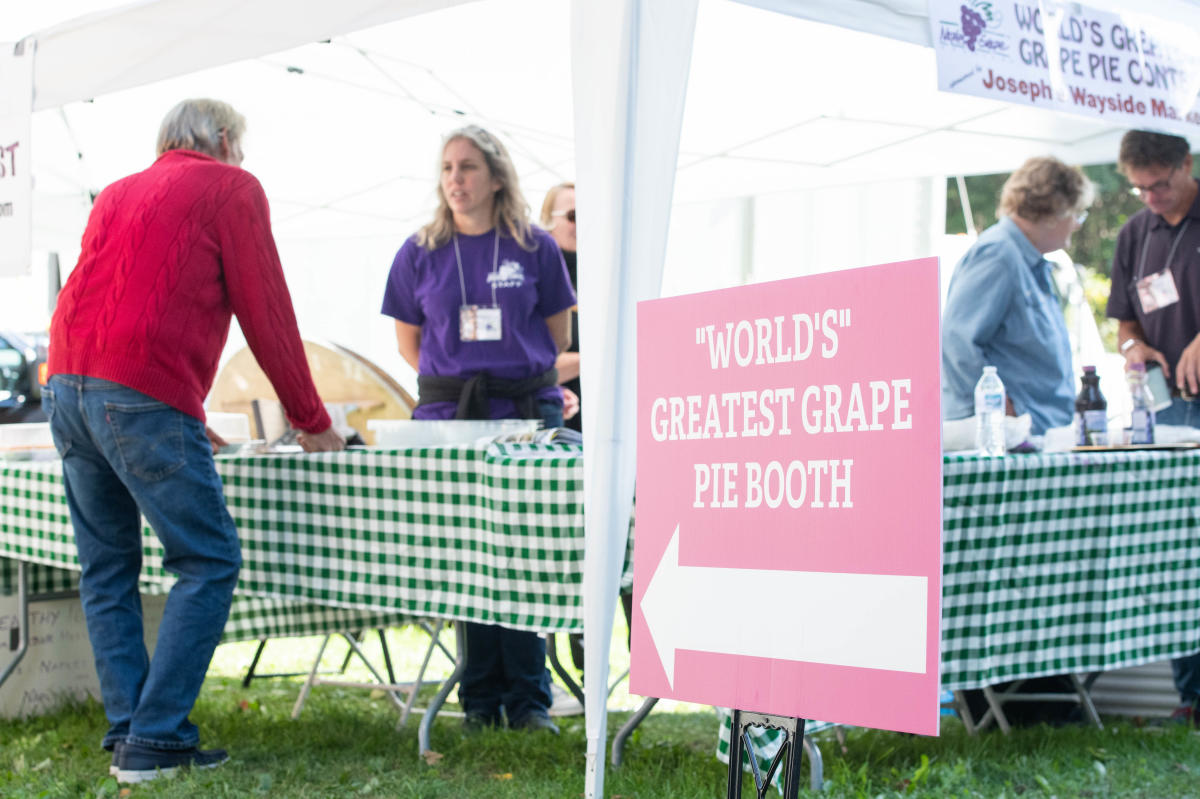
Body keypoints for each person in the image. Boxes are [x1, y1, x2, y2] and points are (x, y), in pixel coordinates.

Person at [45, 98, 345, 784]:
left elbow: (114, 302)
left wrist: (184, 410)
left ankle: (128, 727)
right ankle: (154, 739)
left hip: (67, 386)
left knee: (107, 567)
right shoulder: (232, 187)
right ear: (226, 138)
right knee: (208, 559)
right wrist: (309, 418)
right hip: (134, 396)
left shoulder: (119, 191)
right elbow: (265, 310)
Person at [381, 125, 575, 734]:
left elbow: (559, 335)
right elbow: (410, 342)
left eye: (466, 168)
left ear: (495, 177)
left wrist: (502, 373)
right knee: (468, 556)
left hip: (522, 413)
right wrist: (462, 378)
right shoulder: (420, 250)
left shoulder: (534, 247)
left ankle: (529, 701)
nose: (455, 180)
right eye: (446, 169)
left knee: (522, 554)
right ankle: (479, 700)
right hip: (449, 421)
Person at [1105, 129, 1200, 726]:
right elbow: (1124, 324)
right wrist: (1135, 349)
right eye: (1139, 187)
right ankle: (1190, 698)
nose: (1150, 197)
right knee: (1181, 556)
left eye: (1160, 184)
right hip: (1168, 415)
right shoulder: (1134, 234)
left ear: (1186, 166)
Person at [941, 156, 1094, 436]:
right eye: (1076, 213)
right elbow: (957, 341)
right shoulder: (999, 255)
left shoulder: (1027, 258)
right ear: (1053, 212)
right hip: (1006, 436)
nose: (1077, 224)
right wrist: (1002, 411)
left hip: (1032, 429)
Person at [540, 182, 581, 430]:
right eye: (574, 215)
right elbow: (535, 366)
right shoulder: (535, 282)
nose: (583, 223)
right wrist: (599, 361)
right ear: (548, 221)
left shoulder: (605, 283)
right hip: (556, 426)